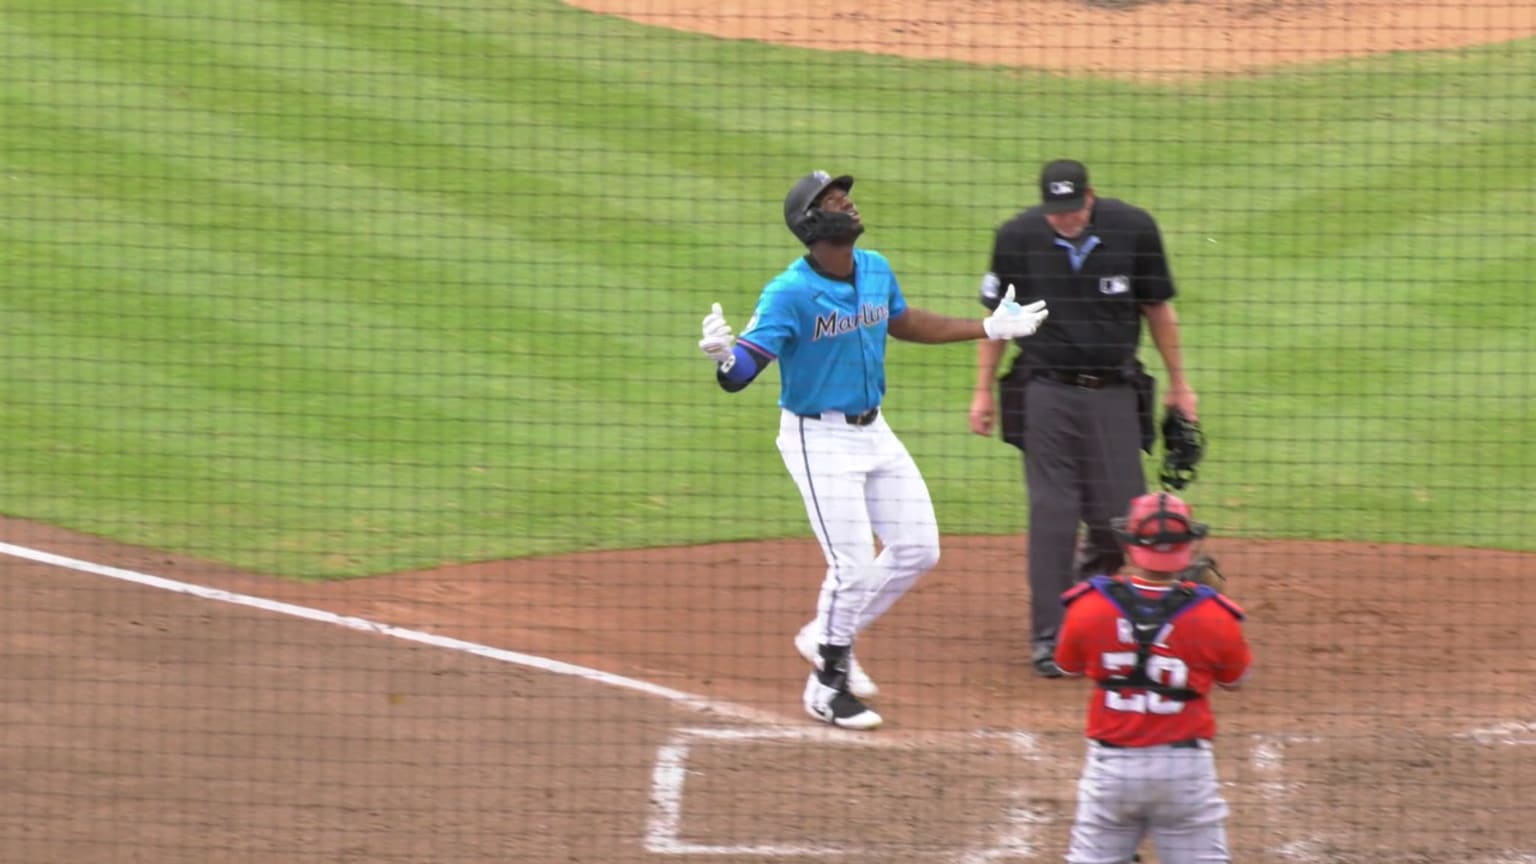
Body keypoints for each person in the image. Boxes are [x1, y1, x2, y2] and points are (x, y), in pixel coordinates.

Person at [696, 170, 1050, 730]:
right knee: (852, 564)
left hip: (874, 432)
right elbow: (742, 371)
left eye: (846, 196)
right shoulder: (788, 292)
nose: (850, 204)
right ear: (813, 223)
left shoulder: (875, 268)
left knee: (918, 548)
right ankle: (827, 686)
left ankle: (824, 636)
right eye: (836, 200)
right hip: (819, 438)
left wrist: (987, 327)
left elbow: (903, 322)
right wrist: (723, 356)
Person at [968, 158, 1200, 678]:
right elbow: (1000, 323)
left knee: (1120, 518)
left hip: (1114, 391)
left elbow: (1158, 308)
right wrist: (982, 391)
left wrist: (1181, 385)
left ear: (1090, 198)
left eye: (1073, 210)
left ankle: (1088, 590)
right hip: (1045, 391)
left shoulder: (1133, 229)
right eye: (1057, 212)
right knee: (1052, 513)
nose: (1065, 220)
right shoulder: (1017, 237)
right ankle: (1052, 636)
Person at [1053, 492, 1251, 864]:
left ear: (1128, 547)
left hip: (1112, 772)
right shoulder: (1214, 613)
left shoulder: (1088, 607)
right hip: (1184, 773)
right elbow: (1236, 679)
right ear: (1189, 547)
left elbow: (1066, 667)